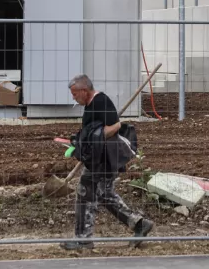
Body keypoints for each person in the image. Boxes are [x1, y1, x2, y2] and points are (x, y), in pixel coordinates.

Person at [60, 74, 154, 251]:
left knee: (85, 192)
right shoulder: (91, 104)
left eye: (74, 94)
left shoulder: (100, 101)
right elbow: (92, 130)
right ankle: (139, 224)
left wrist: (93, 141)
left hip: (104, 160)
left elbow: (116, 126)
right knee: (104, 194)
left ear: (84, 90)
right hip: (99, 159)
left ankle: (83, 240)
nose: (73, 97)